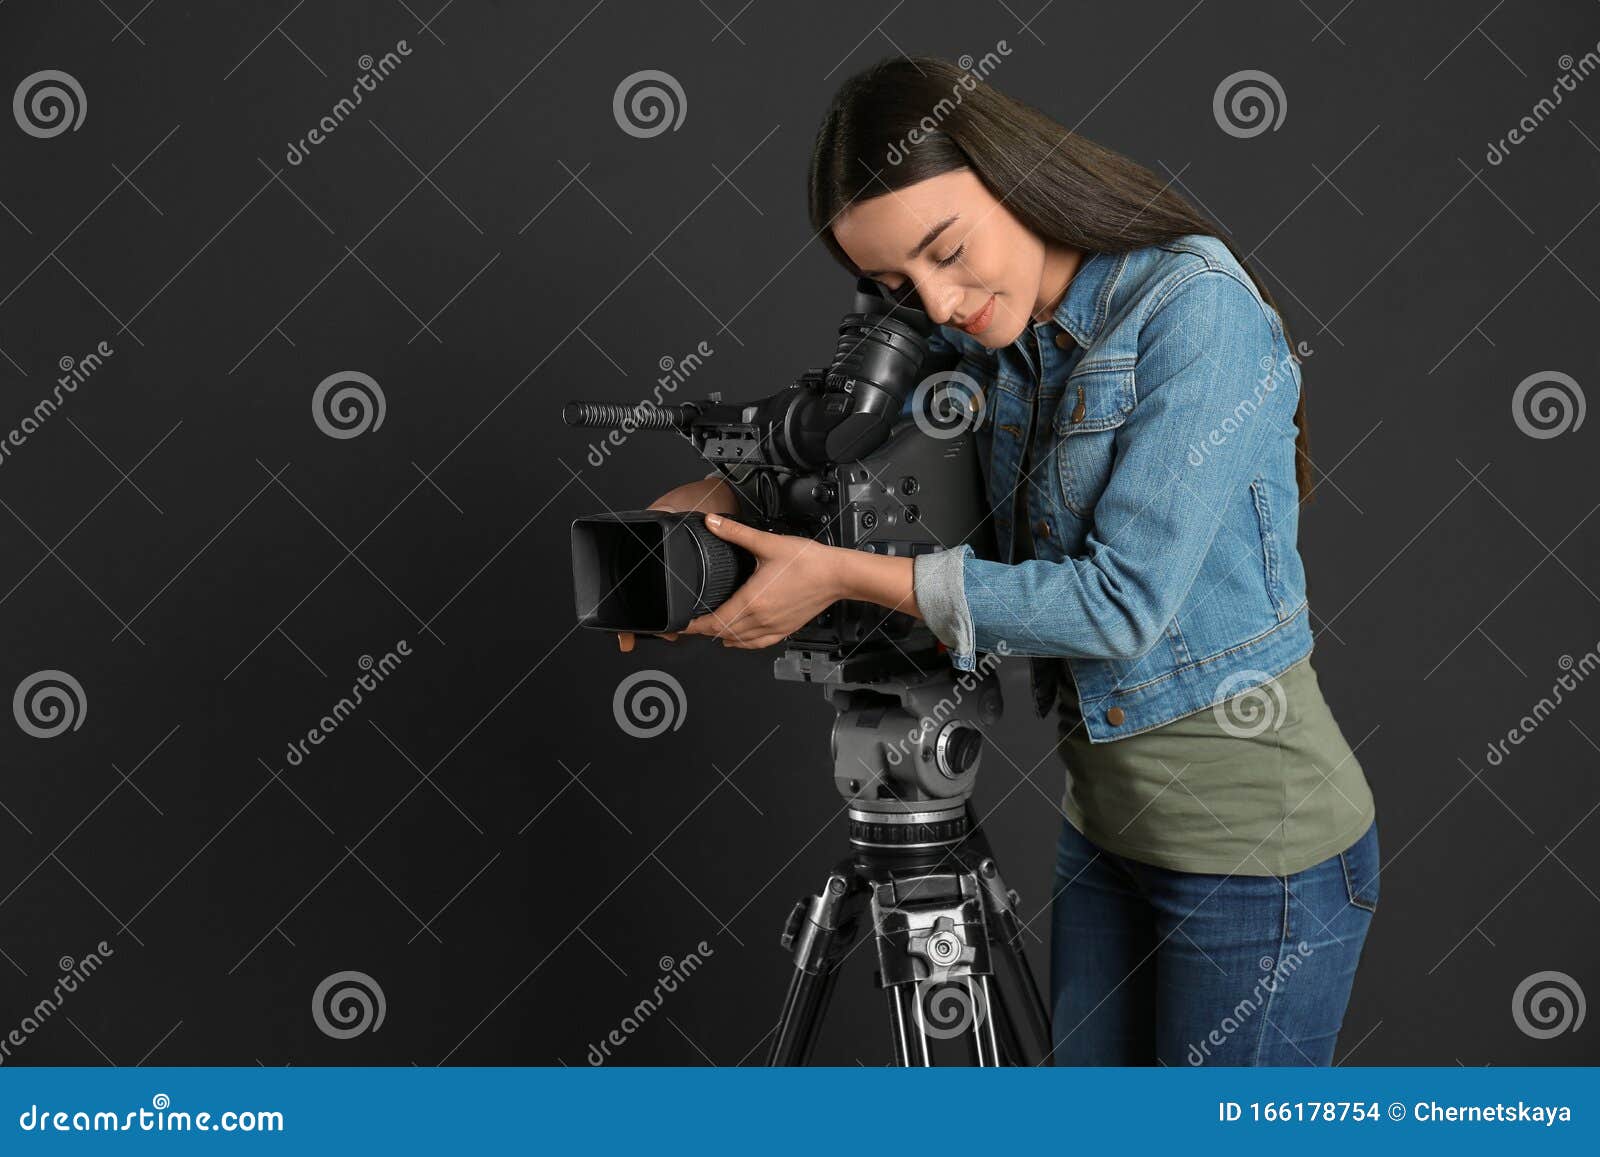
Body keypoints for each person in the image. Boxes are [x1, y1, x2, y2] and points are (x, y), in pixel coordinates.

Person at [627, 56, 1379, 1067]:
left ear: (1015, 176)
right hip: (1106, 831)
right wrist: (726, 505)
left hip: (1258, 855)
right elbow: (855, 456)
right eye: (899, 285)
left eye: (946, 250)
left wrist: (841, 577)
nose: (938, 303)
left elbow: (1124, 606)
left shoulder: (1193, 308)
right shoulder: (993, 338)